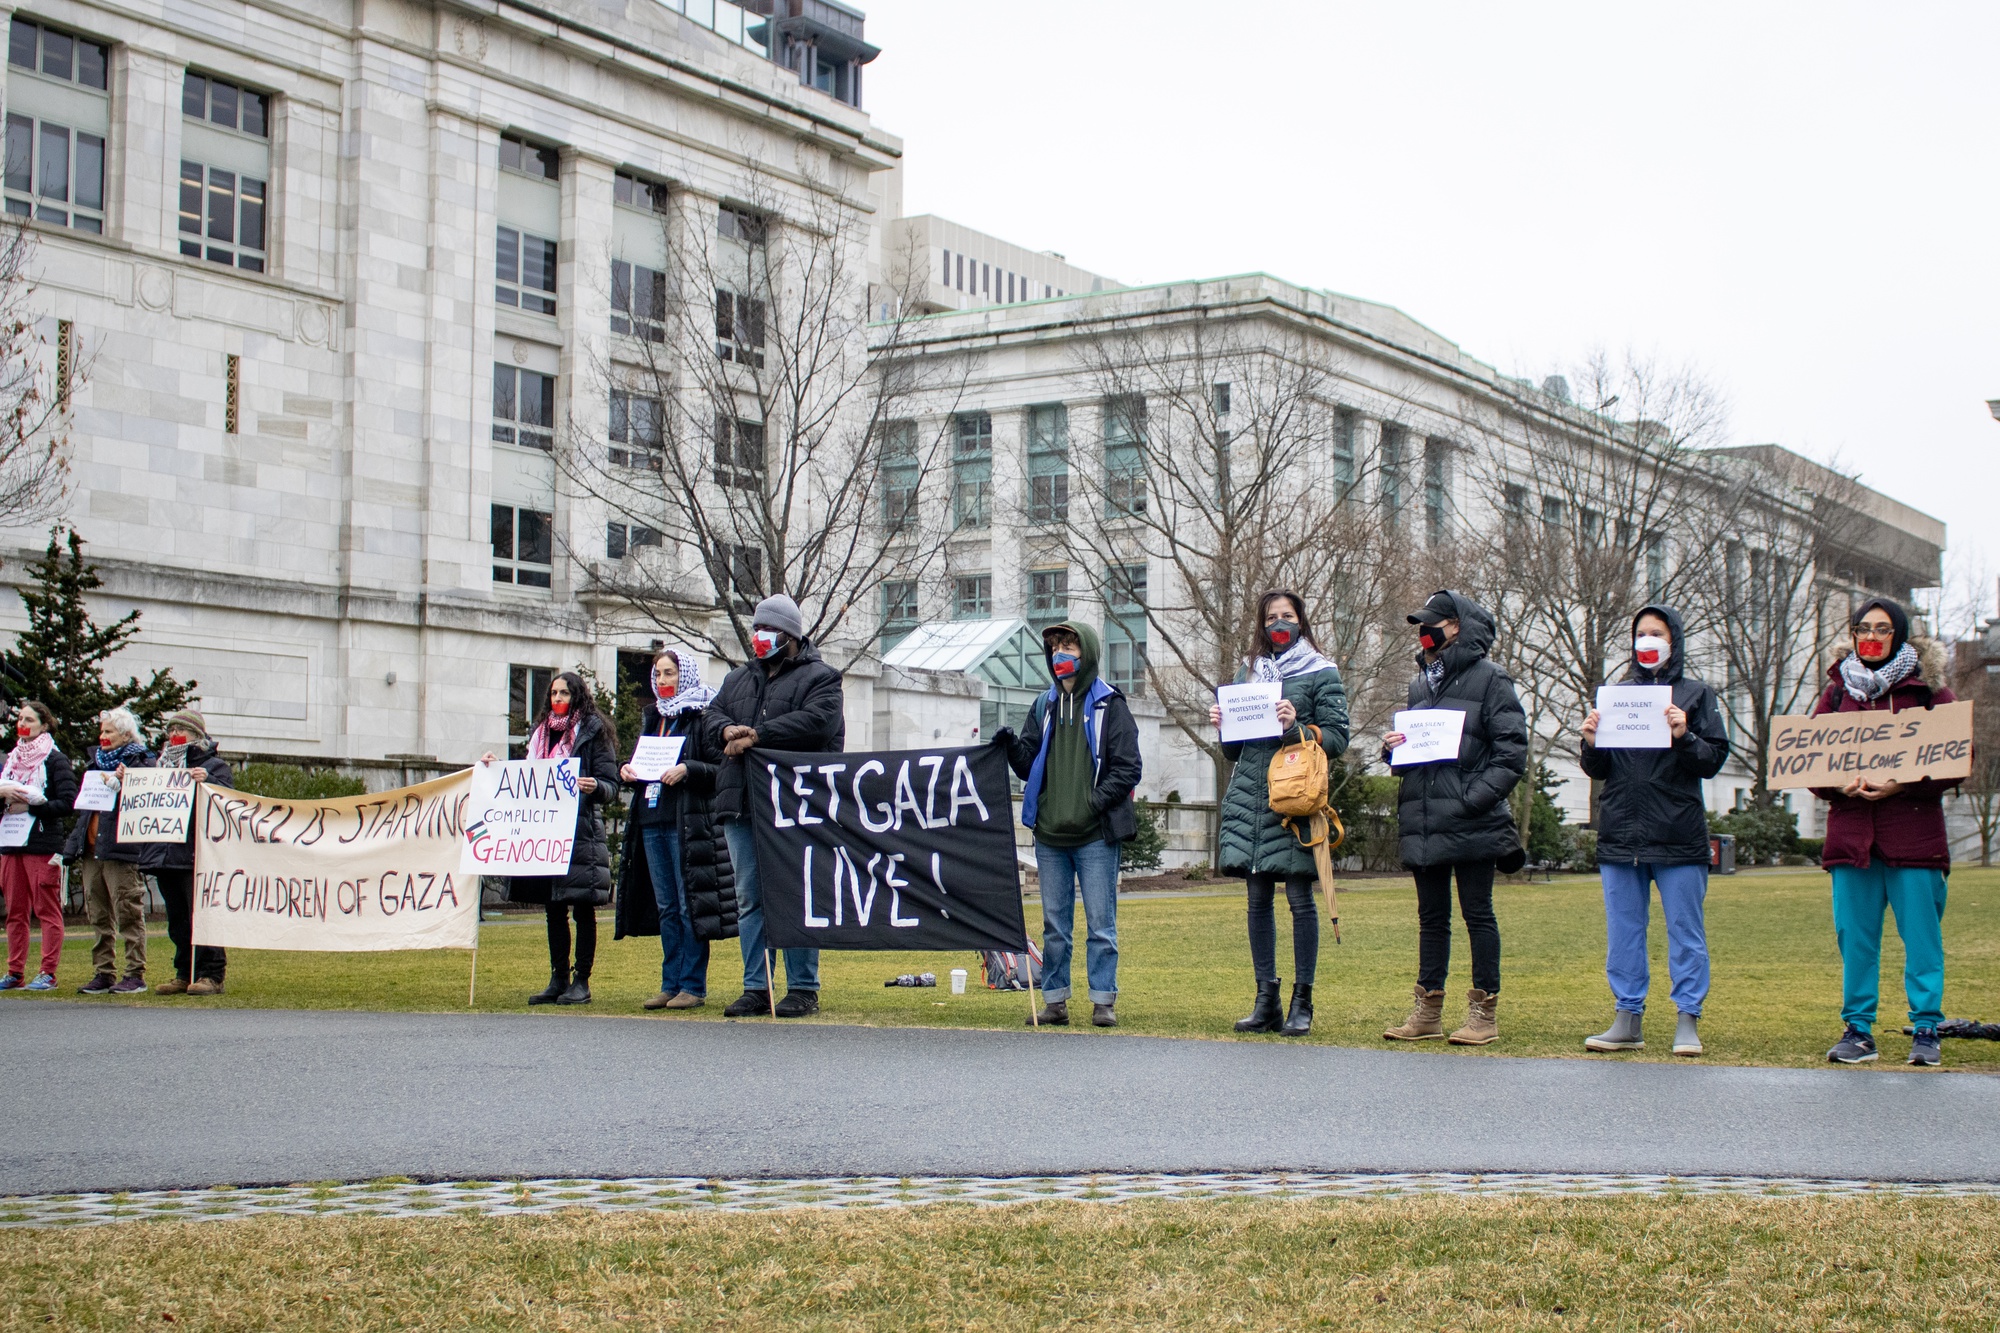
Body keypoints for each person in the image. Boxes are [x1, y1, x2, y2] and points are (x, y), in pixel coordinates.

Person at [1809, 598, 1960, 1067]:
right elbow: (1809, 761)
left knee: (1922, 940)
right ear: (1853, 635)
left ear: (1900, 634)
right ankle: (1858, 1030)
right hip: (1852, 841)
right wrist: (1838, 783)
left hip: (1914, 841)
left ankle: (1927, 1028)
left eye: (1882, 628)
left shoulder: (1931, 692)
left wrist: (1902, 783)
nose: (1871, 636)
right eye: (1863, 628)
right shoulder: (1837, 694)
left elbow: (1958, 759)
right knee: (1855, 941)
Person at [1578, 605, 1730, 1056]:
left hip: (1678, 834)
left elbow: (1712, 760)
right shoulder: (1617, 695)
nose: (1648, 641)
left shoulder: (1697, 695)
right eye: (1641, 633)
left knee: (1686, 931)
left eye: (1657, 633)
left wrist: (1685, 735)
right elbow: (1600, 769)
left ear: (1673, 640)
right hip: (1621, 833)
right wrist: (1590, 744)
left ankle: (1688, 1018)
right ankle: (1627, 1018)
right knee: (1624, 932)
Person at [1380, 590, 1527, 1045]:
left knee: (1477, 914)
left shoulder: (1491, 679)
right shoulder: (1420, 684)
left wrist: (1472, 800)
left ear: (1457, 625)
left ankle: (1484, 1013)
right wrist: (1392, 750)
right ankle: (1428, 1011)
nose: (1424, 632)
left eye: (1433, 623)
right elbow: (1418, 753)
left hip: (1472, 819)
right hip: (1425, 817)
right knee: (1431, 918)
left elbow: (1511, 753)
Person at [1208, 590, 1351, 1037]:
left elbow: (1338, 737)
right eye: (1271, 617)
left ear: (1301, 621)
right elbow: (1236, 751)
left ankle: (1301, 1002)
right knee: (1257, 900)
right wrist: (1223, 726)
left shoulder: (1321, 670)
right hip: (1251, 799)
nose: (1279, 624)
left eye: (1287, 615)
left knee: (1299, 899)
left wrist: (1297, 726)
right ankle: (1265, 1000)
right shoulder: (1248, 671)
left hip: (1294, 797)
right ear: (1261, 624)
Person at [705, 594, 844, 1018]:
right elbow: (711, 717)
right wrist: (727, 730)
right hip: (743, 802)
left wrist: (758, 735)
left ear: (790, 635)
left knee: (797, 893)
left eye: (767, 630)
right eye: (756, 629)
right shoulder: (737, 679)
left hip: (794, 804)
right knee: (750, 898)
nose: (758, 637)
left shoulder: (822, 678)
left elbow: (817, 724)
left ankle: (802, 987)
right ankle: (757, 986)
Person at [1002, 621, 1142, 1028]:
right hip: (1049, 836)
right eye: (1055, 646)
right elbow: (1028, 765)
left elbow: (1128, 768)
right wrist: (1010, 747)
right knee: (1054, 927)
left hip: (1095, 836)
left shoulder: (1109, 704)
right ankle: (1055, 1001)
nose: (1060, 653)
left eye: (1069, 645)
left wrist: (1091, 803)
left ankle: (1103, 1001)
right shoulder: (1043, 705)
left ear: (1089, 653)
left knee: (1101, 925)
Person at [485, 672, 620, 1007]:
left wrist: (595, 787)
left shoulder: (593, 731)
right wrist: (496, 769)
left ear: (577, 696)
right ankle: (558, 978)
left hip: (581, 834)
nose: (558, 698)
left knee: (582, 909)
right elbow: (525, 778)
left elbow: (611, 785)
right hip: (546, 833)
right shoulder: (540, 734)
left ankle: (581, 981)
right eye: (554, 693)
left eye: (564, 693)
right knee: (554, 908)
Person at [613, 647, 736, 1011]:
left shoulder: (702, 715)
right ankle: (670, 983)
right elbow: (643, 761)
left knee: (688, 906)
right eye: (658, 674)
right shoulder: (654, 717)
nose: (663, 680)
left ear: (685, 675)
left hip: (687, 823)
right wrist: (627, 770)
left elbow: (721, 769)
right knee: (666, 906)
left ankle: (692, 986)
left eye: (669, 673)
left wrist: (688, 769)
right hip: (651, 820)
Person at [64, 708, 154, 995]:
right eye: (101, 731)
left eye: (108, 731)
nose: (102, 736)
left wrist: (131, 780)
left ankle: (134, 974)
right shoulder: (95, 765)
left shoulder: (142, 762)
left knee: (128, 912)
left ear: (125, 735)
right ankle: (103, 972)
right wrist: (73, 847)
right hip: (92, 851)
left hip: (120, 851)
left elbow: (152, 796)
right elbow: (85, 812)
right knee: (99, 914)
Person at [144, 710, 232, 997]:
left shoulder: (214, 766)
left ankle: (211, 974)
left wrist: (208, 781)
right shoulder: (161, 766)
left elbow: (229, 800)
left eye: (180, 730)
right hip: (166, 853)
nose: (173, 735)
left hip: (196, 853)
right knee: (178, 920)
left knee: (203, 917)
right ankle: (184, 972)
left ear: (196, 734)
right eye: (171, 730)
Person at [0, 701, 77, 993]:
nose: (23, 724)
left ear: (44, 725)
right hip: (12, 844)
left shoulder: (55, 759)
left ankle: (48, 972)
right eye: (20, 718)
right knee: (15, 912)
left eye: (29, 719)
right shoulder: (11, 760)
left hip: (42, 844)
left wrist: (31, 808)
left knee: (46, 910)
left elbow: (68, 803)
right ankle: (14, 971)